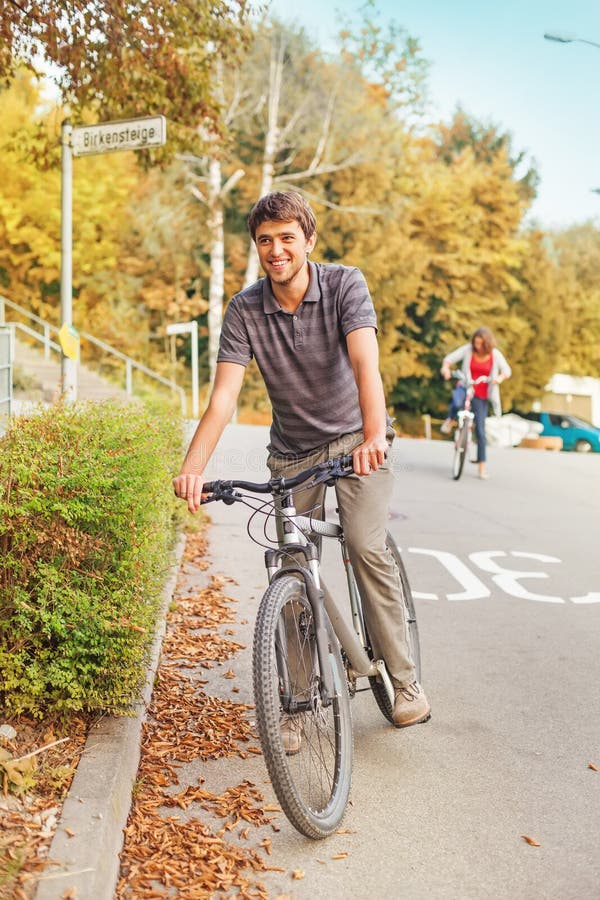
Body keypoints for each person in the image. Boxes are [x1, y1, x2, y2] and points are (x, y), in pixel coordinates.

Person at [173, 190, 430, 742]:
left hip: (356, 440)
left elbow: (366, 367)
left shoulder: (344, 284)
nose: (276, 250)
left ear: (308, 241)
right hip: (292, 452)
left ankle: (405, 682)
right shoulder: (244, 310)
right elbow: (223, 401)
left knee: (363, 543)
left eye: (287, 238)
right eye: (265, 240)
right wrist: (193, 468)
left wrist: (374, 436)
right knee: (290, 565)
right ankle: (293, 701)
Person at [440, 326, 511, 479]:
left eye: (480, 344)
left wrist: (499, 378)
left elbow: (507, 370)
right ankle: (450, 420)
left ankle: (481, 467)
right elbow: (449, 359)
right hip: (466, 386)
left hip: (482, 394)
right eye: (476, 343)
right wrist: (445, 368)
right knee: (457, 403)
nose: (477, 346)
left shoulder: (495, 355)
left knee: (480, 430)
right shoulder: (468, 350)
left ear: (487, 344)